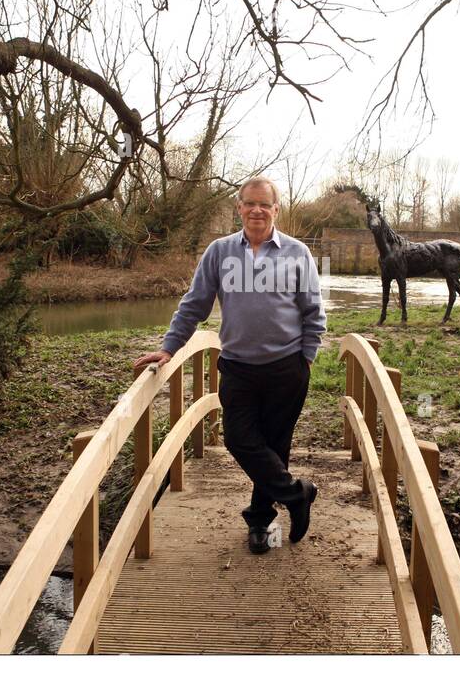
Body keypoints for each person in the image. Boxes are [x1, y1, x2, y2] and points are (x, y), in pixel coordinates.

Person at [134, 176, 326, 554]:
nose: (257, 210)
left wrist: (306, 357)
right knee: (239, 440)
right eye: (249, 203)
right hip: (238, 367)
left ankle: (259, 522)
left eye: (264, 204)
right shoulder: (219, 252)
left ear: (276, 210)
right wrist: (169, 348)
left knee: (274, 446)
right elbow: (194, 305)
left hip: (287, 367)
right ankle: (296, 495)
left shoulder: (297, 253)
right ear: (238, 208)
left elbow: (313, 311)